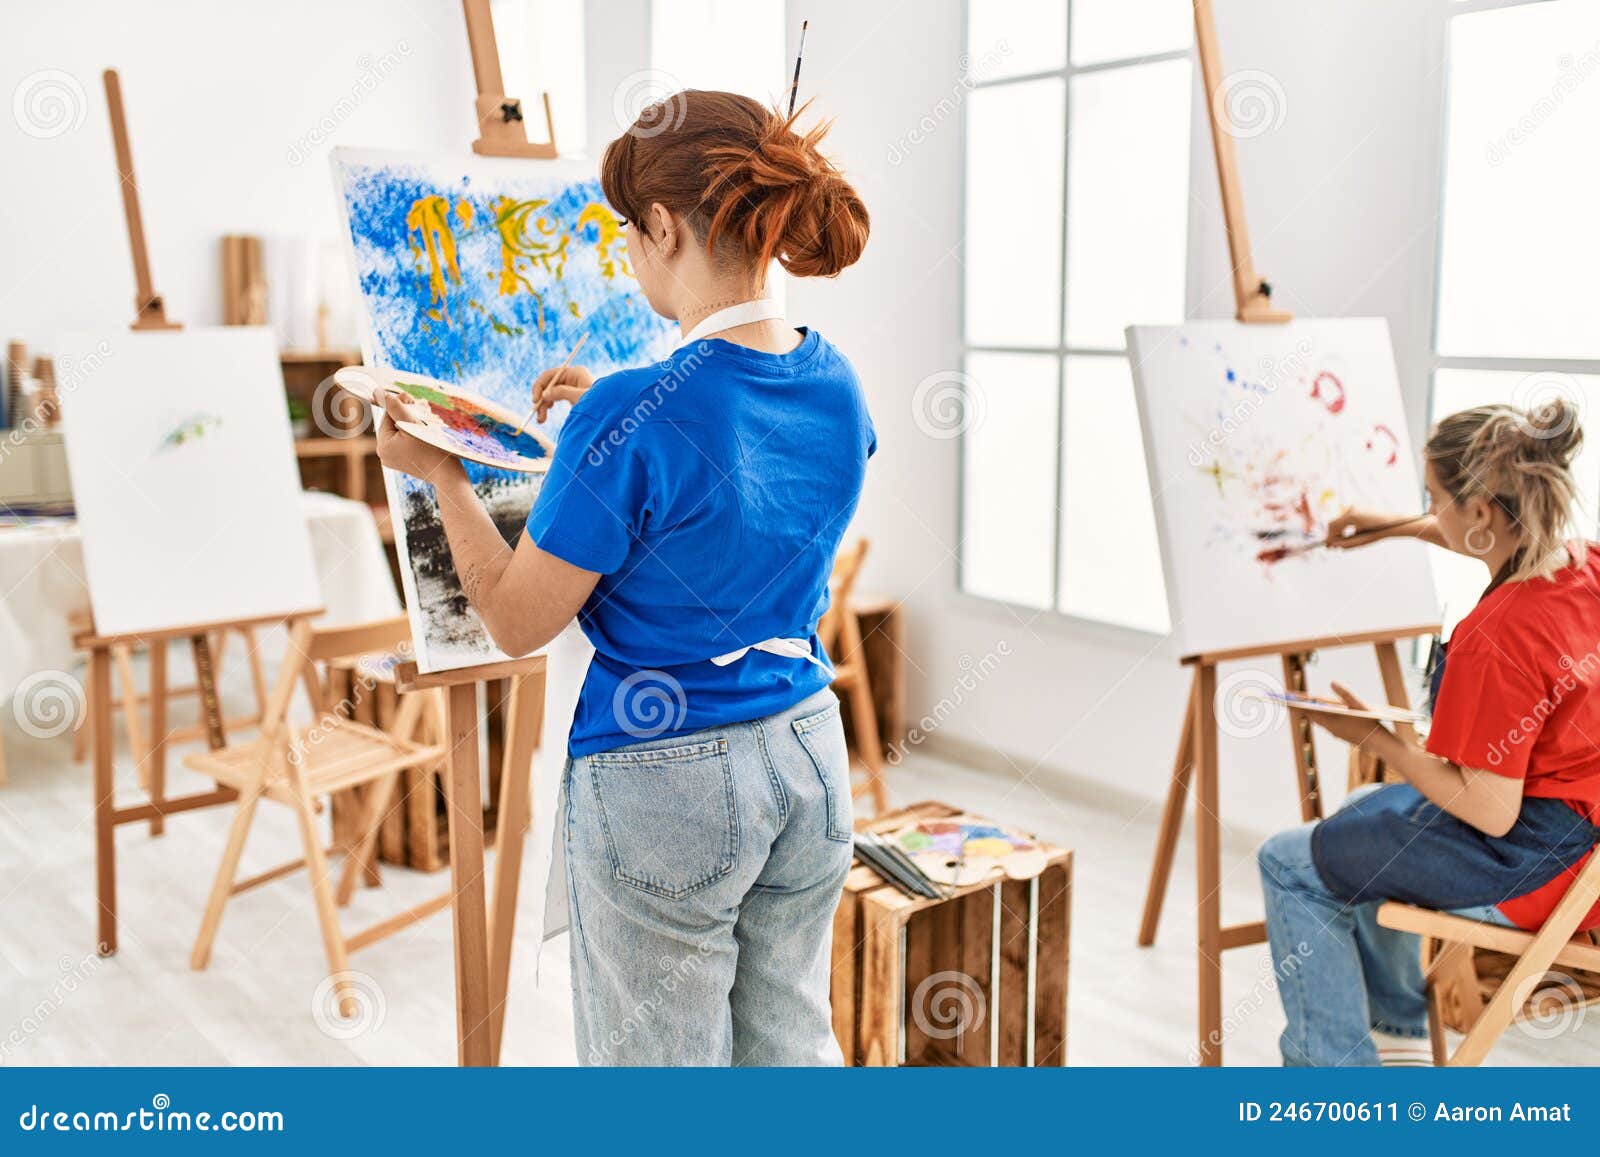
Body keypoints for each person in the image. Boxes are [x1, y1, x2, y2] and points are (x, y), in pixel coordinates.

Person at [375, 90, 873, 1066]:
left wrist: (442, 475)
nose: (629, 257)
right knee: (788, 1047)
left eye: (628, 235)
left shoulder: (628, 413)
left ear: (660, 226)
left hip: (669, 771)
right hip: (810, 749)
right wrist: (609, 412)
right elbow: (728, 476)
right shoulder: (835, 377)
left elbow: (517, 619)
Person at [1257, 398, 1600, 1066]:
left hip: (1529, 867)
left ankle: (1334, 1084)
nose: (1430, 510)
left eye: (1433, 497)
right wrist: (1394, 527)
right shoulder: (1583, 565)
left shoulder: (1496, 638)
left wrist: (1379, 742)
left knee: (1290, 862)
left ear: (1479, 512)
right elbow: (1479, 531)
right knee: (1361, 818)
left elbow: (1490, 811)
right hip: (1584, 853)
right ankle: (1400, 1032)